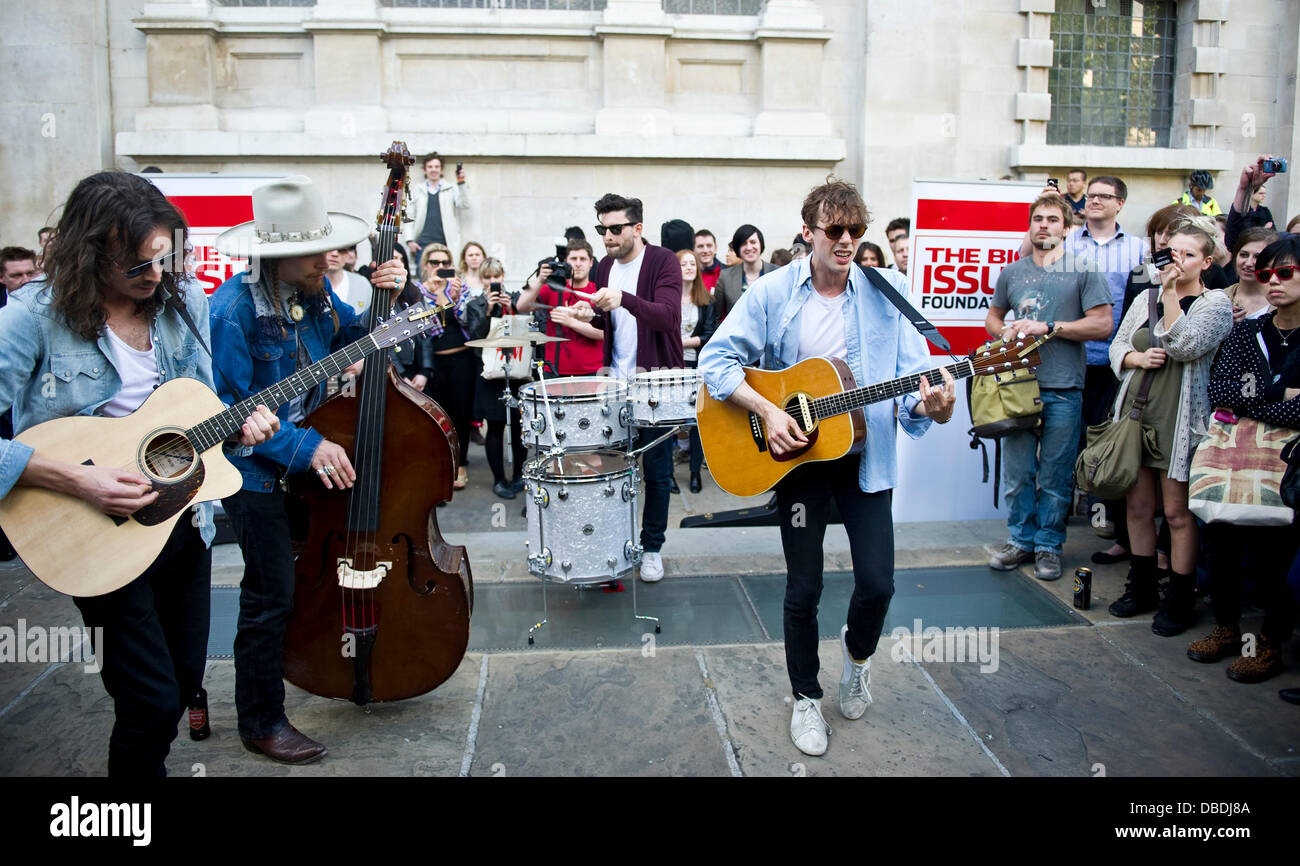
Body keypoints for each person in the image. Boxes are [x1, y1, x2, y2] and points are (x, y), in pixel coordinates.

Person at [0, 171, 278, 775]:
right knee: (148, 702)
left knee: (178, 688)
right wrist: (78, 480)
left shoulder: (185, 300)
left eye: (165, 260)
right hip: (89, 528)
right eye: (137, 267)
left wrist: (239, 423)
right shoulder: (29, 316)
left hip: (182, 521)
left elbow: (197, 404)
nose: (156, 278)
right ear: (89, 251)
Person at [699, 179, 957, 757]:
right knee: (804, 587)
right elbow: (716, 357)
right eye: (834, 231)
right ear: (809, 231)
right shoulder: (771, 293)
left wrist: (932, 406)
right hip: (798, 459)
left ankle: (857, 659)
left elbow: (914, 390)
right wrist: (769, 408)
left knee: (877, 583)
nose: (846, 242)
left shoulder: (888, 291)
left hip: (866, 459)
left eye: (856, 232)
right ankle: (806, 698)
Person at [210, 175, 406, 765]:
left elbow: (356, 338)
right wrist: (304, 447)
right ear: (278, 255)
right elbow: (224, 411)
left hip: (304, 464)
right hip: (256, 475)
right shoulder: (231, 311)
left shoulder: (318, 293)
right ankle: (261, 720)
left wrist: (387, 298)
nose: (334, 256)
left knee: (302, 584)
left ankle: (329, 668)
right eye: (320, 249)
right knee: (270, 595)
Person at [1105, 218, 1233, 635]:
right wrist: (1135, 359)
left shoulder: (1215, 303)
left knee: (1177, 514)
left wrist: (1172, 292)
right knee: (1138, 508)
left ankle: (1179, 597)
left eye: (1188, 254)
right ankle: (1141, 587)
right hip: (1138, 416)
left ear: (1206, 262)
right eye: (1172, 252)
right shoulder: (1146, 297)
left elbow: (1183, 344)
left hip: (1182, 420)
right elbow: (1117, 347)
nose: (1176, 261)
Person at [1188, 235, 1300, 683]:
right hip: (1234, 459)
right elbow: (1223, 395)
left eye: (1285, 273)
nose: (1272, 281)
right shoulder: (1247, 332)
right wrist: (1283, 395)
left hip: (1291, 466)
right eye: (1267, 272)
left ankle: (1269, 645)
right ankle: (1227, 629)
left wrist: (1256, 400)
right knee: (1222, 543)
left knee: (1275, 556)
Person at [985, 194, 1113, 580]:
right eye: (1038, 219)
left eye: (1053, 220)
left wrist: (1051, 328)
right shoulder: (1013, 272)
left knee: (1055, 476)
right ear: (1030, 226)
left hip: (1063, 388)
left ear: (1067, 228)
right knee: (1019, 473)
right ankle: (1021, 540)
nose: (1044, 225)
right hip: (1016, 388)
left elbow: (1103, 325)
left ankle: (1048, 546)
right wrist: (1003, 331)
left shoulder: (1085, 270)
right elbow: (992, 316)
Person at [568, 193, 684, 583]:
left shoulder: (663, 261)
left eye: (616, 229)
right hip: (614, 384)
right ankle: (615, 545)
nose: (607, 237)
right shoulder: (603, 266)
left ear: (637, 228)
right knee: (610, 471)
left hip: (654, 383)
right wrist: (590, 314)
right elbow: (611, 325)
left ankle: (651, 548)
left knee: (657, 472)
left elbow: (667, 317)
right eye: (602, 229)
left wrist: (624, 298)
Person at [1063, 175, 1148, 558]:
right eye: (1091, 195)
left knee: (1110, 446)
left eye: (1104, 196)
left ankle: (1109, 526)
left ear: (1120, 204)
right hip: (1067, 358)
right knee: (1068, 440)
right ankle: (1063, 519)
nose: (1095, 201)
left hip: (1116, 362)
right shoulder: (1064, 242)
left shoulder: (1138, 250)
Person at [419, 243, 482, 490]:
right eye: (435, 263)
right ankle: (441, 465)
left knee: (461, 413)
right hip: (434, 361)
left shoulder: (460, 286)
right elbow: (425, 328)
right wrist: (436, 295)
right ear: (426, 265)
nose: (441, 267)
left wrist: (452, 298)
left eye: (445, 263)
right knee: (436, 415)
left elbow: (466, 321)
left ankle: (460, 463)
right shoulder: (418, 291)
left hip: (462, 358)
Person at [473, 258, 529, 499]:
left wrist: (513, 309)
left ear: (503, 276)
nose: (492, 282)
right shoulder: (476, 303)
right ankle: (499, 479)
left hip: (516, 372)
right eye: (487, 277)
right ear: (481, 279)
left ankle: (518, 475)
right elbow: (475, 335)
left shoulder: (516, 298)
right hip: (491, 373)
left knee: (518, 427)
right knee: (495, 427)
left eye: (496, 277)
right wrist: (487, 310)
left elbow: (530, 326)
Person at [517, 239, 604, 376]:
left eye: (583, 259)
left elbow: (604, 334)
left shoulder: (598, 292)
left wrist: (571, 322)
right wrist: (540, 279)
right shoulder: (553, 289)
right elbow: (522, 306)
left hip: (591, 371)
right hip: (554, 370)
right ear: (565, 262)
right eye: (573, 259)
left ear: (591, 262)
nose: (578, 263)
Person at [677, 248, 717, 494]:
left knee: (696, 420)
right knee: (672, 421)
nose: (689, 267)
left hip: (696, 365)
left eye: (692, 264)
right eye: (684, 264)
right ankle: (669, 477)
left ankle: (694, 473)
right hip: (670, 365)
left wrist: (684, 342)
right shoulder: (667, 299)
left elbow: (710, 334)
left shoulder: (706, 300)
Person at [400, 152, 470, 265]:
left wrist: (461, 182)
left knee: (446, 278)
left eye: (437, 167)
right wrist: (410, 240)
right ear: (425, 170)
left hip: (445, 244)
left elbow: (464, 204)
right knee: (424, 279)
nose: (433, 170)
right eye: (430, 167)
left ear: (441, 170)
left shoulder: (451, 188)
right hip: (422, 245)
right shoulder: (417, 190)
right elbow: (409, 216)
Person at [713, 224, 777, 321]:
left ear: (761, 244)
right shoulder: (725, 277)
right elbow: (716, 317)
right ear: (737, 248)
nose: (749, 247)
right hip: (736, 334)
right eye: (743, 243)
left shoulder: (777, 273)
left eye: (753, 242)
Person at [1224, 227, 1280, 323]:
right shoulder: (1220, 297)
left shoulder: (1281, 301)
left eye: (1257, 257)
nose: (1249, 263)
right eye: (1244, 255)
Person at [324, 244, 374, 316]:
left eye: (341, 250)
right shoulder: (308, 284)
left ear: (347, 254)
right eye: (329, 248)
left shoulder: (362, 284)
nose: (335, 254)